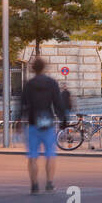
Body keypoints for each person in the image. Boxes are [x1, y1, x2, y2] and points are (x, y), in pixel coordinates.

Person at [17, 57, 68, 194]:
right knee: (50, 154)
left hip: (32, 123)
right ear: (44, 68)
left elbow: (22, 104)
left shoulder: (29, 84)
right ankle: (49, 183)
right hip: (48, 122)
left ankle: (34, 185)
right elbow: (58, 103)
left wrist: (18, 120)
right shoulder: (52, 83)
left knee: (33, 156)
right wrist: (63, 119)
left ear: (33, 69)